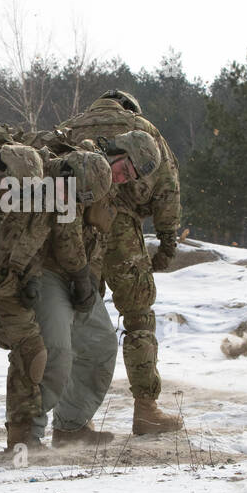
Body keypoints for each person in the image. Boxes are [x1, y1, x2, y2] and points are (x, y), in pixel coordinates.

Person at [58, 90, 184, 435]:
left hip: (80, 231)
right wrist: (167, 241)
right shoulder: (141, 129)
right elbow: (167, 186)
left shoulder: (70, 128)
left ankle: (74, 419)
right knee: (139, 317)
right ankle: (146, 410)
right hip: (122, 230)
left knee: (80, 322)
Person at [28, 130, 163, 445]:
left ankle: (71, 427)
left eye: (128, 176)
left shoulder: (111, 188)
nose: (121, 177)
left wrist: (89, 281)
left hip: (78, 276)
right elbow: (65, 225)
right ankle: (26, 435)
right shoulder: (82, 164)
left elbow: (97, 238)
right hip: (48, 270)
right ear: (117, 149)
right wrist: (80, 278)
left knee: (101, 345)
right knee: (55, 350)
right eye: (123, 168)